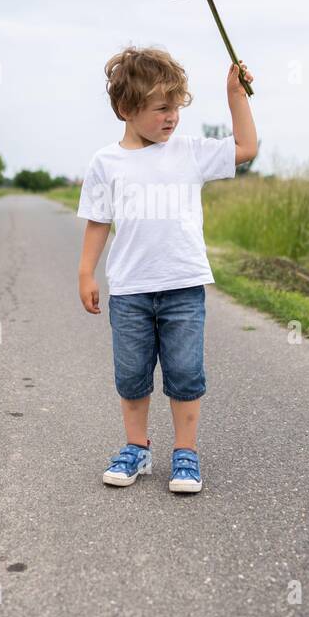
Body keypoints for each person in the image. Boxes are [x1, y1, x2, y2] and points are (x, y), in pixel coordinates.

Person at [76, 45, 257, 494]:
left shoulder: (189, 152)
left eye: (176, 105)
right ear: (126, 109)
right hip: (131, 291)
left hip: (183, 287)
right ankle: (136, 448)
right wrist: (86, 273)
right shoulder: (106, 163)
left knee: (185, 374)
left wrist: (235, 94)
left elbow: (246, 147)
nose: (172, 116)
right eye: (161, 107)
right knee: (132, 376)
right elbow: (99, 221)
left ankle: (186, 454)